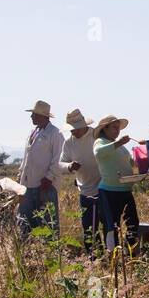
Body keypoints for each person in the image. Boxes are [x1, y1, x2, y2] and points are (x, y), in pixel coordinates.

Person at [92, 114, 141, 250]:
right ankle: (113, 255)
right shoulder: (101, 142)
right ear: (105, 129)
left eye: (118, 128)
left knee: (133, 223)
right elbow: (98, 153)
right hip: (109, 191)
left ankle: (130, 251)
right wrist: (118, 142)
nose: (117, 131)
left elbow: (130, 161)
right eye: (114, 127)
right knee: (111, 226)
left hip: (125, 190)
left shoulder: (120, 147)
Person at [16, 100, 63, 237]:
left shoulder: (55, 133)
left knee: (48, 222)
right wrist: (20, 175)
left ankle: (52, 252)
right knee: (24, 220)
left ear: (43, 116)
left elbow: (58, 158)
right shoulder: (33, 132)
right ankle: (26, 250)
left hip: (46, 185)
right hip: (28, 184)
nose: (32, 117)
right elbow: (26, 158)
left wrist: (48, 178)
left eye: (34, 114)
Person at [59, 108, 102, 252]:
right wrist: (70, 166)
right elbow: (61, 163)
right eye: (71, 129)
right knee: (89, 227)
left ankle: (110, 255)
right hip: (84, 189)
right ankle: (93, 256)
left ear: (83, 125)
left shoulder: (96, 135)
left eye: (76, 128)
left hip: (104, 186)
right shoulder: (69, 143)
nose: (73, 132)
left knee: (108, 224)